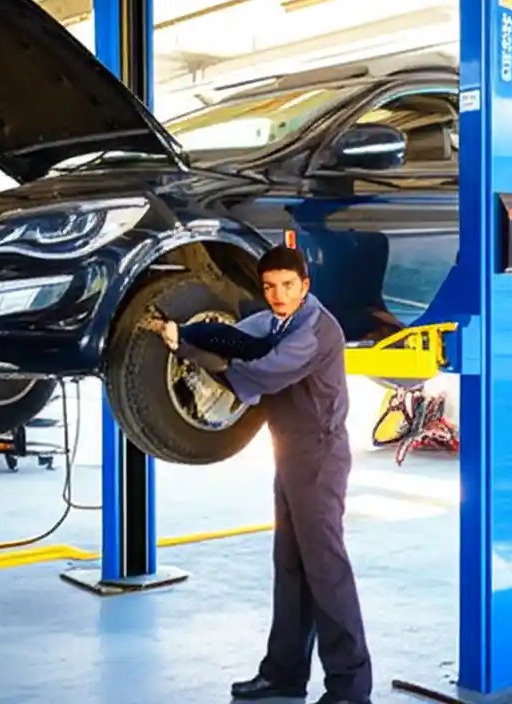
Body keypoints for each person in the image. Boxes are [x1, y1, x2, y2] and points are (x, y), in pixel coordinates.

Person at [141, 245, 373, 704]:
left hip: (320, 459)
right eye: (269, 287)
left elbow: (260, 371)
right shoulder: (276, 321)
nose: (278, 295)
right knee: (290, 566)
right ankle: (284, 674)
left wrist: (197, 355)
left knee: (325, 569)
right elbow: (232, 336)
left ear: (305, 286)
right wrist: (180, 333)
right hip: (289, 454)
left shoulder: (317, 331)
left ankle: (350, 689)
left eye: (288, 286)